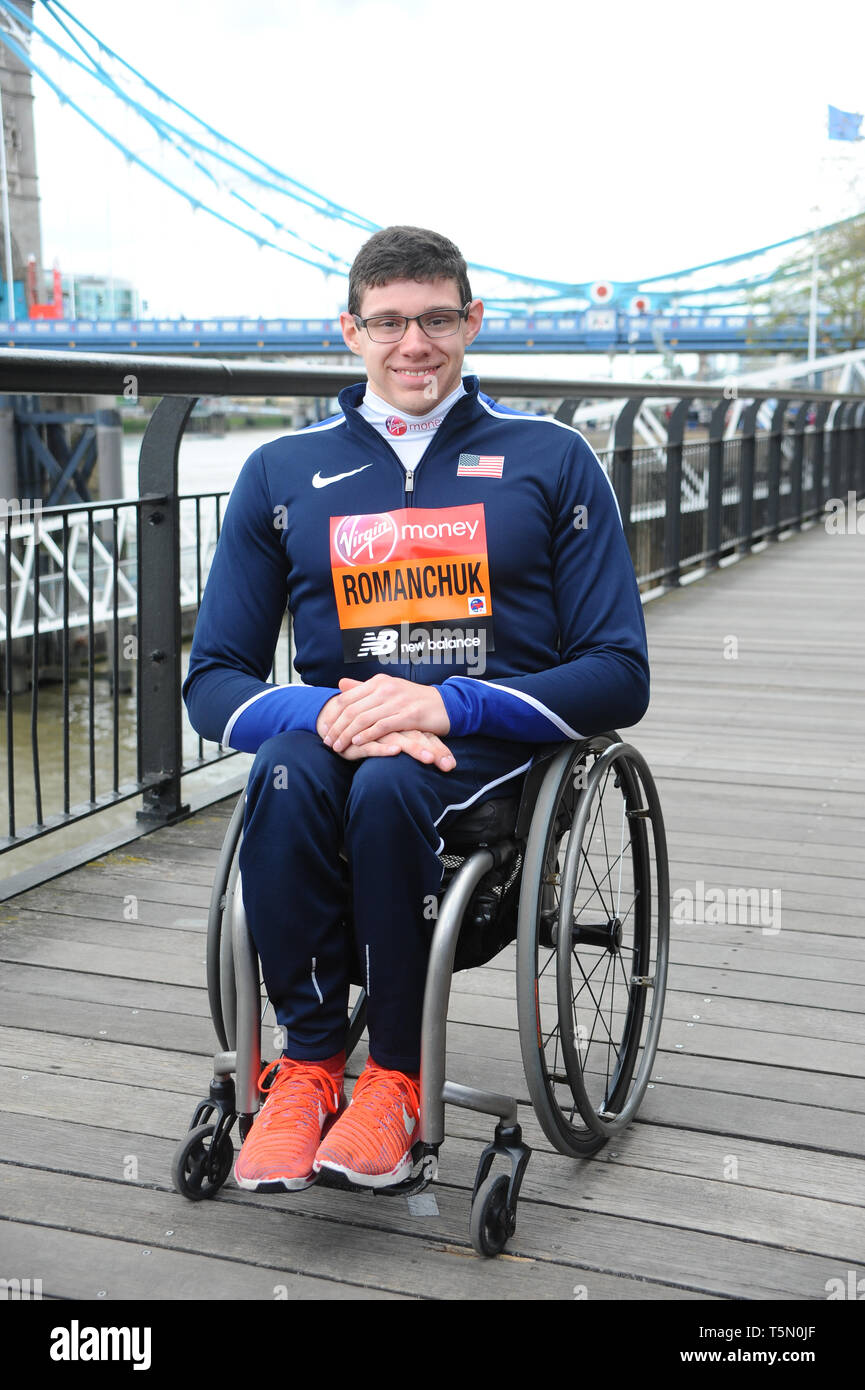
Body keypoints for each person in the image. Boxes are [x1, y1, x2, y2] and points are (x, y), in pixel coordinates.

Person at [182, 225, 649, 1194]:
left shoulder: (552, 458)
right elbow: (214, 682)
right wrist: (326, 713)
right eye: (388, 322)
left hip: (486, 745)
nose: (414, 345)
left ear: (472, 321)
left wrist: (446, 705)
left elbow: (616, 673)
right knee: (281, 766)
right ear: (348, 332)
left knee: (394, 779)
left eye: (437, 318)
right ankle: (307, 1065)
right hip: (331, 738)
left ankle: (394, 1072)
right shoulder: (280, 472)